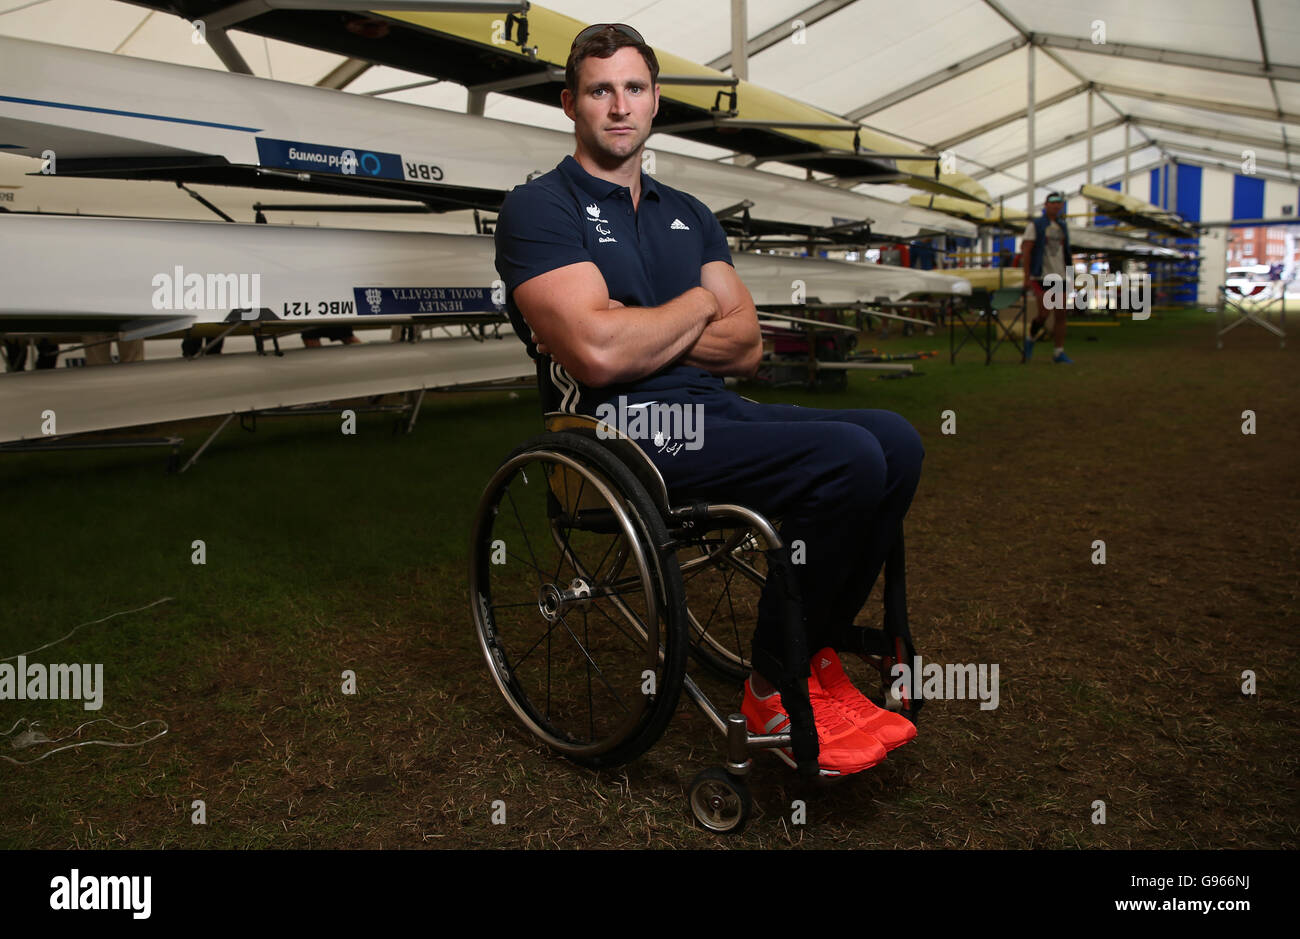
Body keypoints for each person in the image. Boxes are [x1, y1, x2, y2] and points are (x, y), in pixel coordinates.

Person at [493, 24, 921, 775]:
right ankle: (772, 685)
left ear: (655, 100)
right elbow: (596, 354)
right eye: (600, 90)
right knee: (848, 457)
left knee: (895, 439)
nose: (618, 106)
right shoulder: (539, 210)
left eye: (633, 88)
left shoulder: (686, 210)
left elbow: (748, 346)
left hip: (715, 411)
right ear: (570, 104)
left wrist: (640, 326)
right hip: (618, 430)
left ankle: (812, 655)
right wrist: (698, 300)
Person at [1021, 191, 1073, 363]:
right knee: (1043, 313)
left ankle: (1058, 351)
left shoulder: (1062, 226)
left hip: (1060, 276)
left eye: (1059, 203)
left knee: (1061, 314)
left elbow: (1065, 252)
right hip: (1041, 275)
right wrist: (1027, 276)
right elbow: (1026, 251)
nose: (1056, 205)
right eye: (1052, 202)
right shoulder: (1035, 225)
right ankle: (1031, 338)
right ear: (1046, 205)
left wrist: (1070, 274)